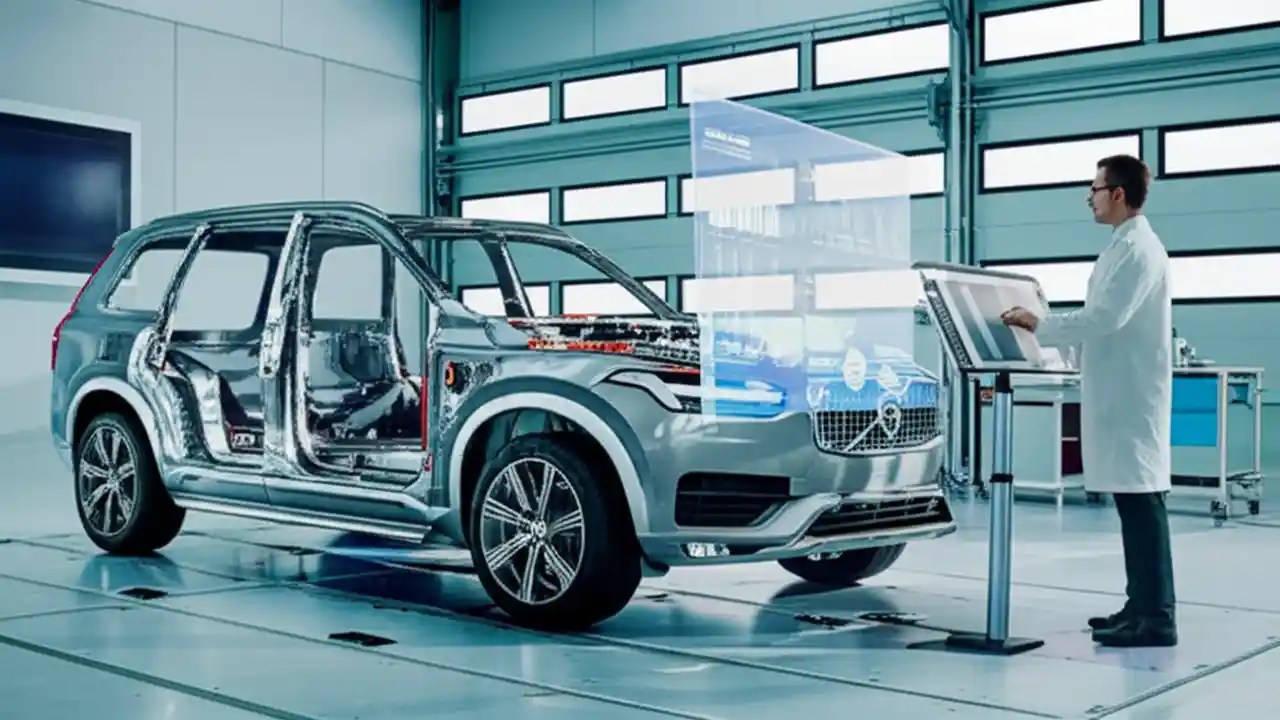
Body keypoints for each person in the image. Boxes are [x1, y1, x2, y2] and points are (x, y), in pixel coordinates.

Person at [1000, 154, 1176, 648]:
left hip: (1133, 397)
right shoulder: (1123, 247)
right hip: (1121, 392)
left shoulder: (1140, 250)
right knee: (1133, 506)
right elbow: (1100, 319)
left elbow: (1105, 318)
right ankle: (1139, 606)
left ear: (1117, 193)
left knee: (1143, 508)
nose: (1090, 198)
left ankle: (1158, 617)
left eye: (1094, 190)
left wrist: (1041, 324)